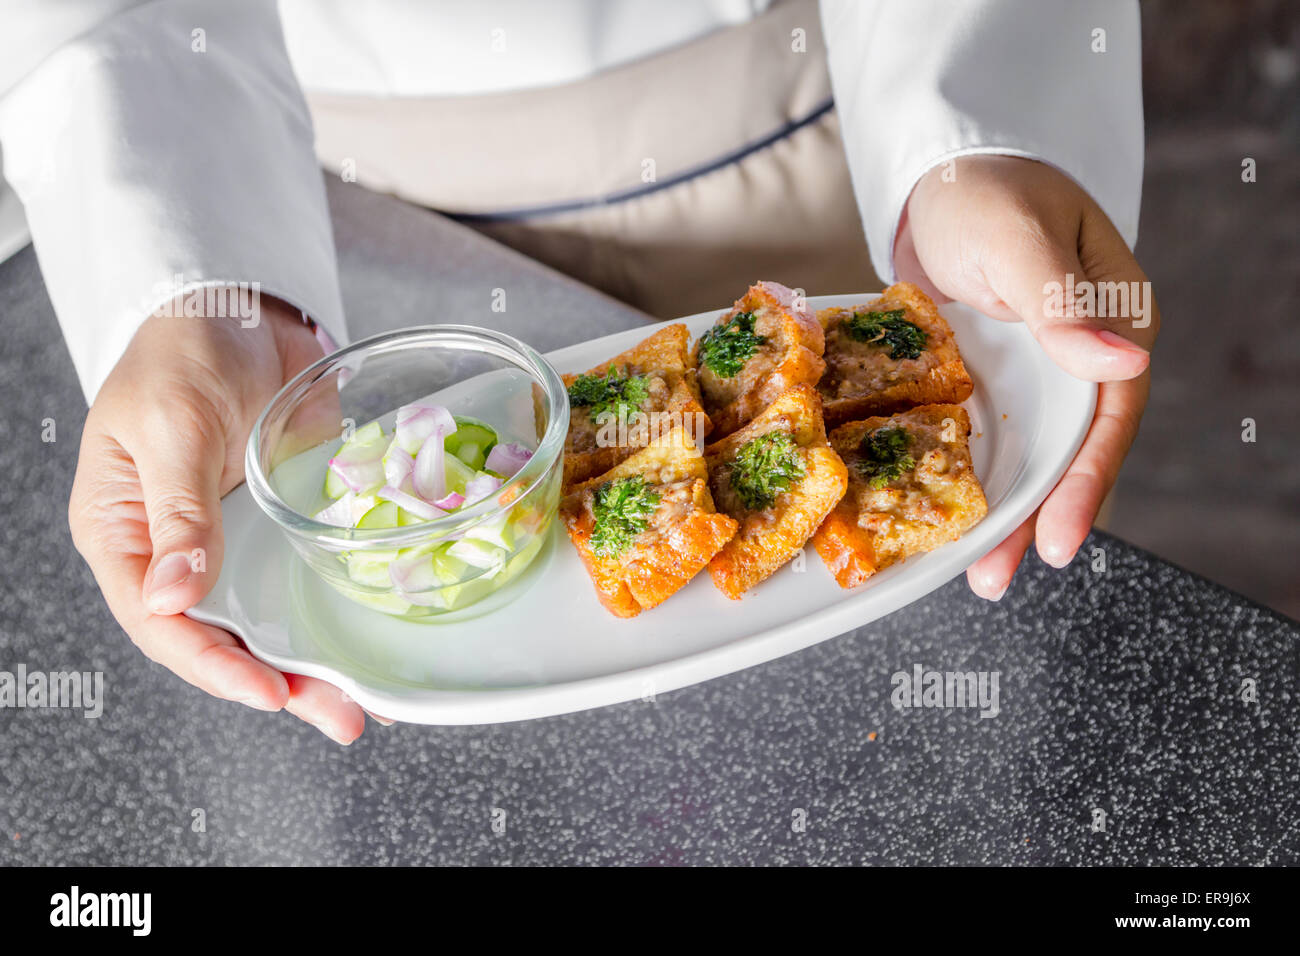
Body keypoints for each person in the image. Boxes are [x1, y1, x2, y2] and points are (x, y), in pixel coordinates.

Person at [0, 0, 1158, 743]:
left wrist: (970, 132)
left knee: (930, 708)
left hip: (830, 148)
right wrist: (202, 280)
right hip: (344, 212)